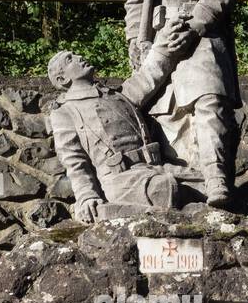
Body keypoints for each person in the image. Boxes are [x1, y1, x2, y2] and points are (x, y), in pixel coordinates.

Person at [124, 0, 238, 206]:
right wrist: (136, 39)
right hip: (160, 35)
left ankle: (216, 178)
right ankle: (177, 180)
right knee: (165, 111)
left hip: (200, 33)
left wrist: (195, 26)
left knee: (209, 99)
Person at [47, 20, 213, 223]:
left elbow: (150, 75)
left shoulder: (119, 95)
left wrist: (165, 39)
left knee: (209, 186)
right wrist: (87, 196)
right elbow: (74, 162)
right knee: (164, 188)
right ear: (62, 79)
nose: (80, 57)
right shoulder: (66, 112)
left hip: (155, 168)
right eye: (70, 59)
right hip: (120, 181)